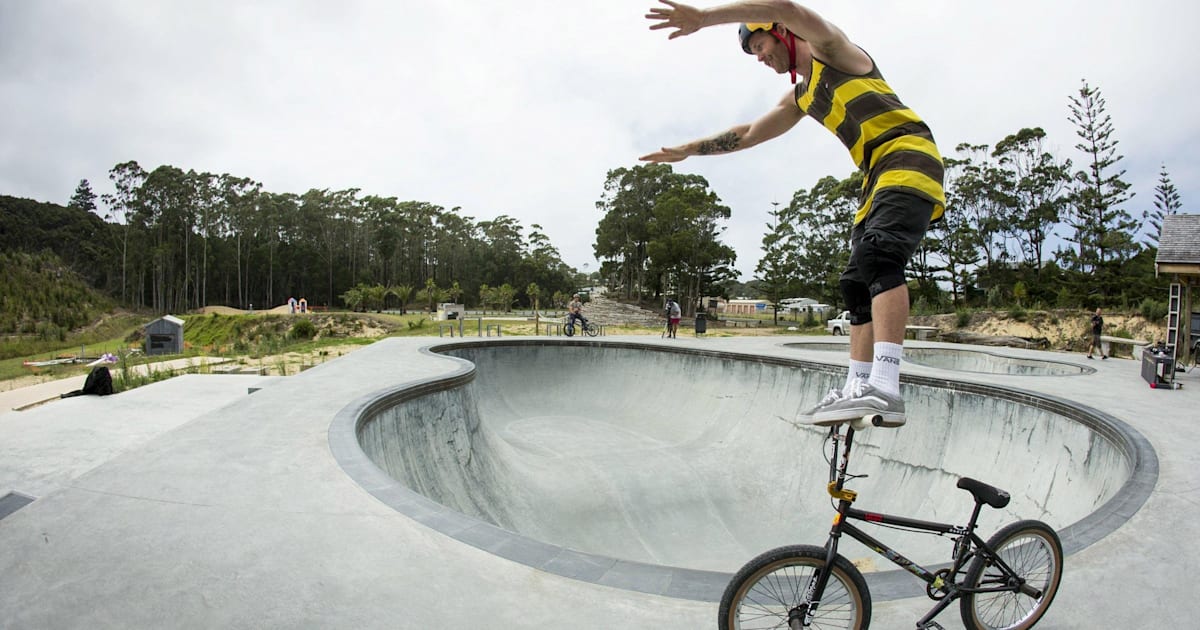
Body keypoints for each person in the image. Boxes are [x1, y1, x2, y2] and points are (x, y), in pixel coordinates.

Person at [642, 0, 945, 428]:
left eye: (762, 46)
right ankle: (859, 387)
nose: (761, 58)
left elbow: (783, 4)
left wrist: (705, 19)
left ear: (781, 30)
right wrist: (691, 149)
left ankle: (886, 385)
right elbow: (749, 133)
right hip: (875, 175)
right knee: (856, 283)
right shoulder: (803, 94)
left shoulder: (833, 50)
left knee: (879, 256)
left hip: (907, 154)